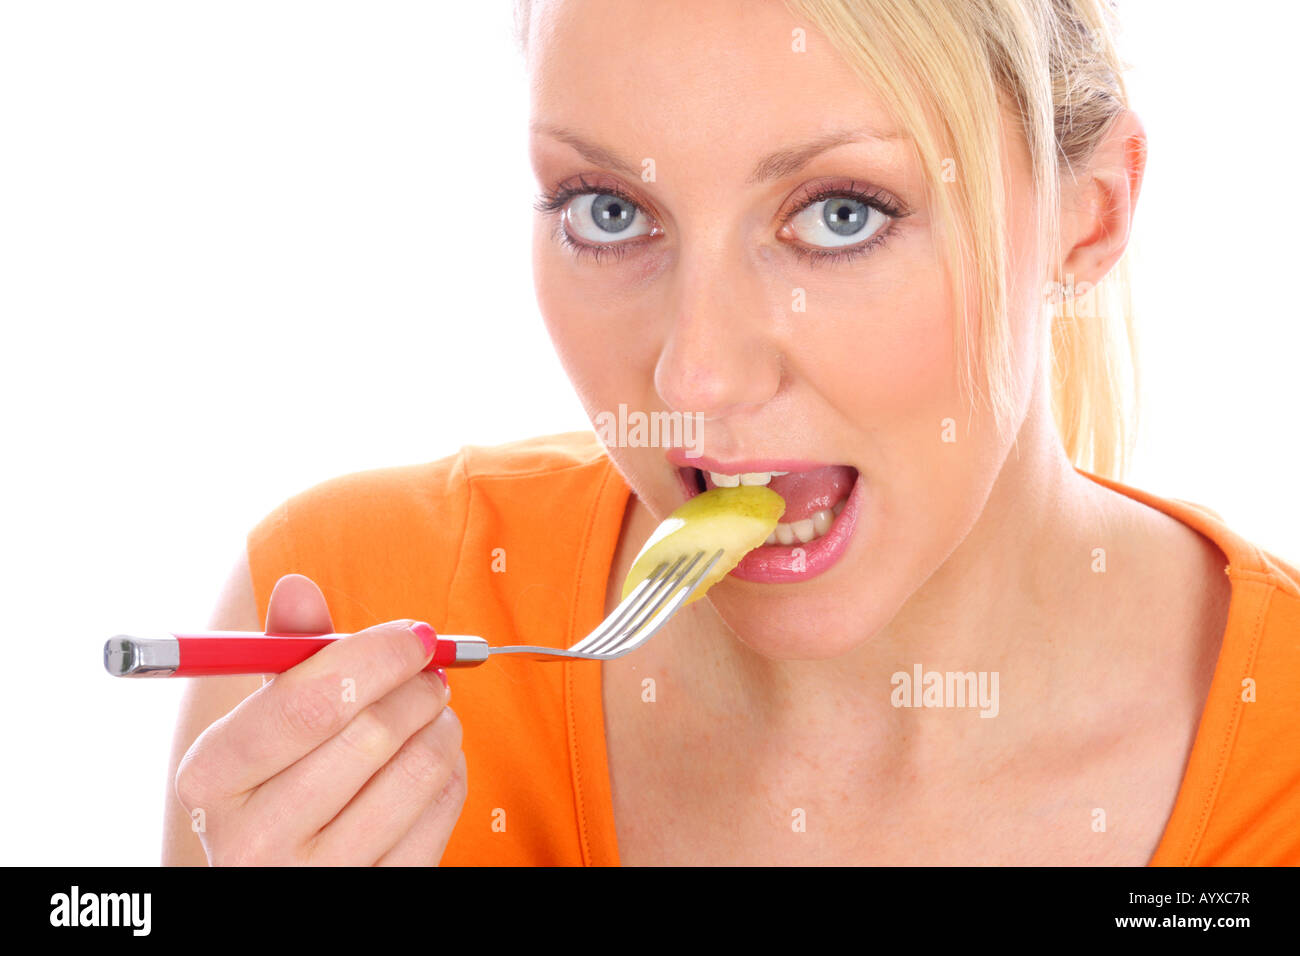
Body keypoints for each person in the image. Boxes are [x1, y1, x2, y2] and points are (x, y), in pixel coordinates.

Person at [162, 0, 1300, 866]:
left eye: (839, 214)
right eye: (609, 211)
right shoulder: (338, 639)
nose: (691, 376)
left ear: (1087, 216)